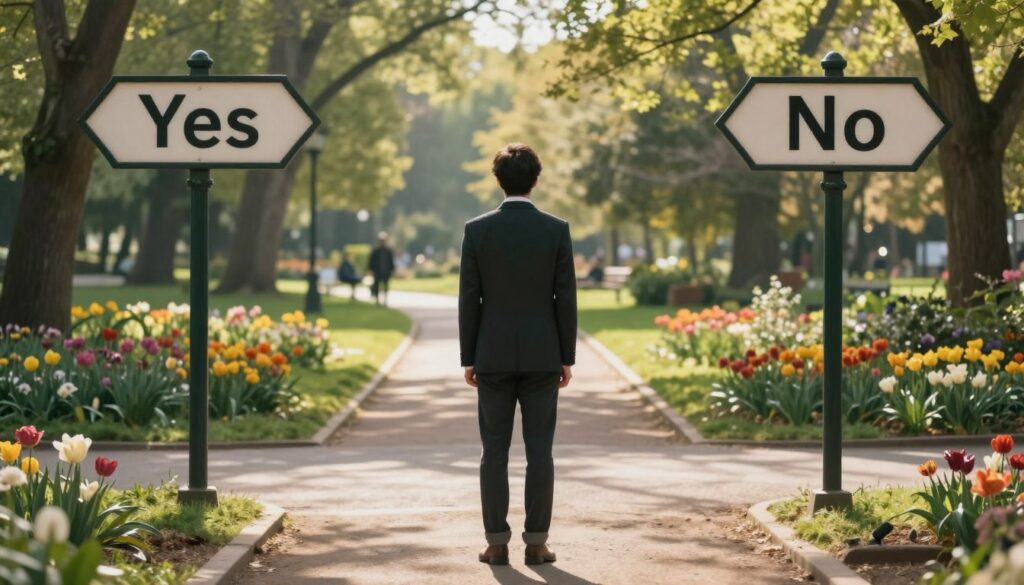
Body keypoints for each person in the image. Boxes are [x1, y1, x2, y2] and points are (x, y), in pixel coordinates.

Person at [458, 143, 576, 567]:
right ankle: (537, 542)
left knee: (494, 451)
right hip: (544, 354)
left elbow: (470, 298)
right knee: (540, 450)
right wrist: (567, 356)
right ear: (536, 179)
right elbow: (565, 298)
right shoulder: (556, 229)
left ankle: (495, 542)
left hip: (491, 355)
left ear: (498, 180)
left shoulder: (477, 230)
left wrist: (468, 357)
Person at [367, 232, 395, 306]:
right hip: (377, 271)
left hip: (386, 271)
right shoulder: (376, 251)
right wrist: (371, 270)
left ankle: (385, 300)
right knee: (377, 286)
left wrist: (392, 270)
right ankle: (377, 300)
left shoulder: (388, 251)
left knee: (385, 285)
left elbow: (391, 261)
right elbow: (371, 261)